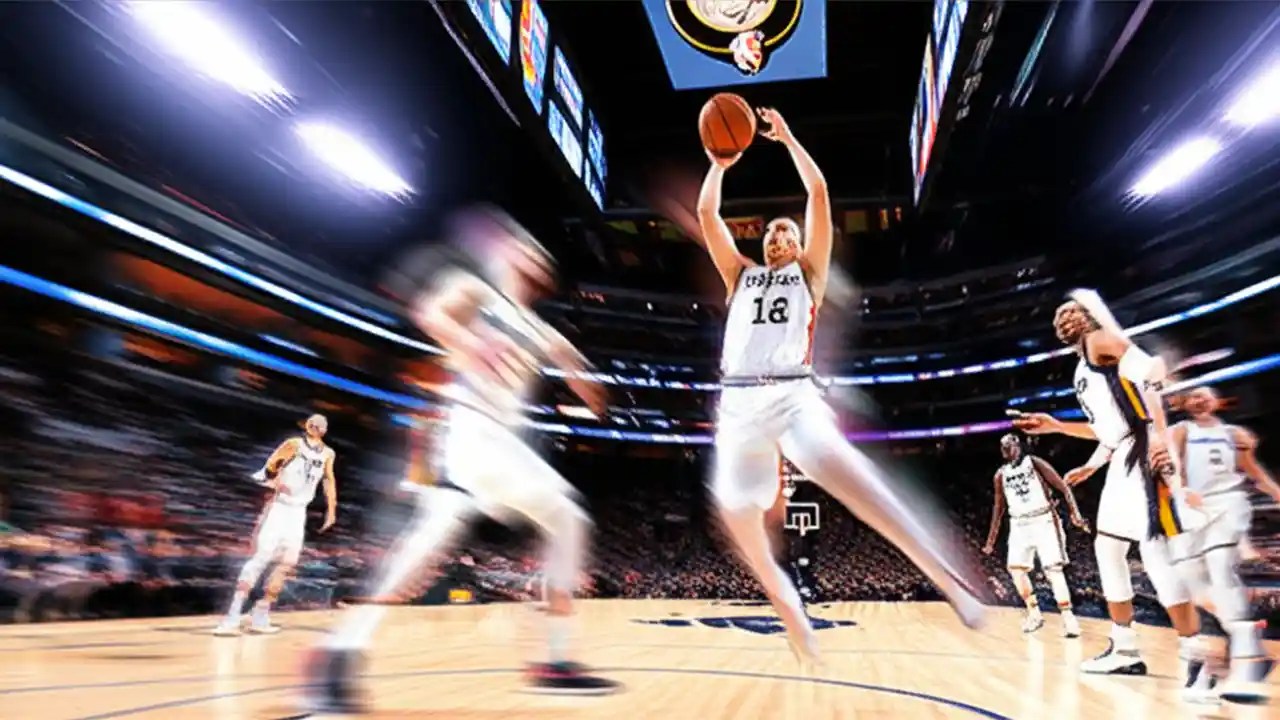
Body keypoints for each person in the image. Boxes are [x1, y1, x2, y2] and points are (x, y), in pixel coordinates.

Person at [695, 106, 987, 663]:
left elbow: (820, 194)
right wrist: (719, 162)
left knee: (858, 482)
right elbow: (708, 212)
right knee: (736, 512)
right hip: (736, 403)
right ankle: (786, 603)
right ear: (760, 244)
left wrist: (788, 139)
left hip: (792, 396)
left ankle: (952, 584)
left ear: (801, 243)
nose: (780, 233)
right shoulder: (739, 275)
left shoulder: (810, 274)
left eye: (789, 230)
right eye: (773, 231)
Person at [301, 208, 618, 714]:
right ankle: (554, 662)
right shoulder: (477, 292)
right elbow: (432, 314)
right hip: (471, 430)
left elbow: (576, 367)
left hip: (491, 443)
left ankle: (340, 651)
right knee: (568, 516)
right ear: (506, 251)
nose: (535, 255)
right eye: (525, 245)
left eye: (538, 252)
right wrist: (471, 343)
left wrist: (586, 384)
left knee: (425, 547)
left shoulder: (535, 326)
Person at [1012, 290, 1208, 692]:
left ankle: (1196, 657)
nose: (1062, 322)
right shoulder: (1081, 366)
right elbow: (1107, 431)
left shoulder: (1100, 339)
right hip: (1122, 455)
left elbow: (1148, 370)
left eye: (1068, 314)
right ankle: (1125, 648)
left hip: (1142, 451)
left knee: (1156, 554)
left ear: (1085, 318)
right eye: (1058, 318)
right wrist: (1064, 434)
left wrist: (1158, 434)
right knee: (1108, 547)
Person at [1168, 385, 1277, 703]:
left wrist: (1276, 493)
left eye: (1206, 394)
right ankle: (1247, 639)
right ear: (1185, 404)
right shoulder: (1180, 430)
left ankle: (1245, 668)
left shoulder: (1235, 434)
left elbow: (1254, 472)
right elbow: (1171, 466)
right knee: (1194, 587)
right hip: (1192, 510)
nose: (1200, 399)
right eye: (1193, 396)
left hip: (1228, 506)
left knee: (1222, 571)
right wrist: (1180, 487)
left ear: (1217, 400)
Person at [214, 414, 337, 636]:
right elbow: (270, 466)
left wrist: (332, 510)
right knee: (261, 558)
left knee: (288, 563)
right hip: (279, 507)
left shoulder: (328, 453)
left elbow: (329, 480)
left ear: (324, 430)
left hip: (299, 512)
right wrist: (273, 478)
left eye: (320, 424)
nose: (315, 426)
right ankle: (232, 617)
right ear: (308, 425)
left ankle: (261, 612)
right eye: (312, 422)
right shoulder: (293, 444)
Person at [982, 433, 1087, 637]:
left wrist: (1076, 513)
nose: (1005, 449)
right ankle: (1034, 613)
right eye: (1002, 446)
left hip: (1043, 519)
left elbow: (1063, 487)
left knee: (1053, 570)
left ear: (1018, 445)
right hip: (1019, 523)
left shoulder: (1034, 463)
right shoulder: (1000, 474)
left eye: (1008, 445)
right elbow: (998, 508)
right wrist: (990, 541)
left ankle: (1069, 618)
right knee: (1016, 570)